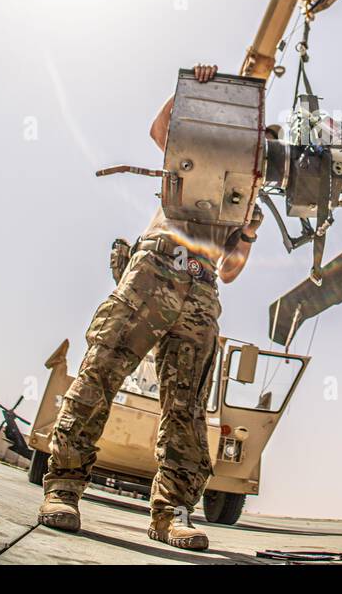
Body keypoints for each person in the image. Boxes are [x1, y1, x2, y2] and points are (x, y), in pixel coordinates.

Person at [37, 64, 263, 550]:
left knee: (185, 409)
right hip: (155, 268)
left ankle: (172, 514)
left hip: (201, 290)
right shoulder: (194, 154)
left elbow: (229, 269)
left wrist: (246, 231)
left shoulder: (245, 198)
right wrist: (192, 91)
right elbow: (159, 129)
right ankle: (63, 488)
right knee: (101, 371)